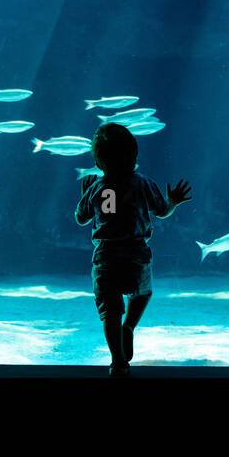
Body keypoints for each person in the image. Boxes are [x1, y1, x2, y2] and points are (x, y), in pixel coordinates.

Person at [75, 122, 191, 375]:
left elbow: (81, 218)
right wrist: (174, 202)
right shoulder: (143, 183)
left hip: (105, 257)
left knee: (110, 311)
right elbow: (161, 211)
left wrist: (84, 194)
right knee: (142, 294)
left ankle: (118, 361)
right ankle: (129, 327)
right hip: (136, 254)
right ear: (134, 156)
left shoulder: (97, 187)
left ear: (98, 162)